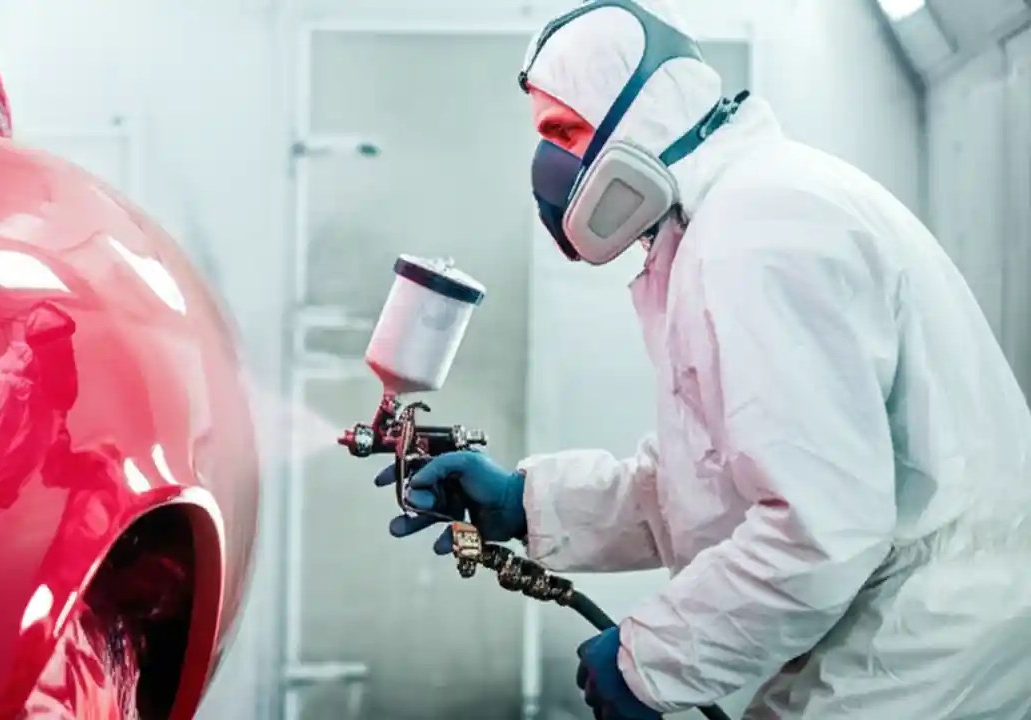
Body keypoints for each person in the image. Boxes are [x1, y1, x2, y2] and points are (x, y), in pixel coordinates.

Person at [376, 1, 1031, 718]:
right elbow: (709, 491)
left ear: (642, 117)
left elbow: (821, 529)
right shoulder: (728, 220)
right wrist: (525, 503)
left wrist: (652, 660)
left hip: (923, 659)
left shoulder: (764, 232)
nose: (551, 165)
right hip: (895, 642)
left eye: (565, 131)